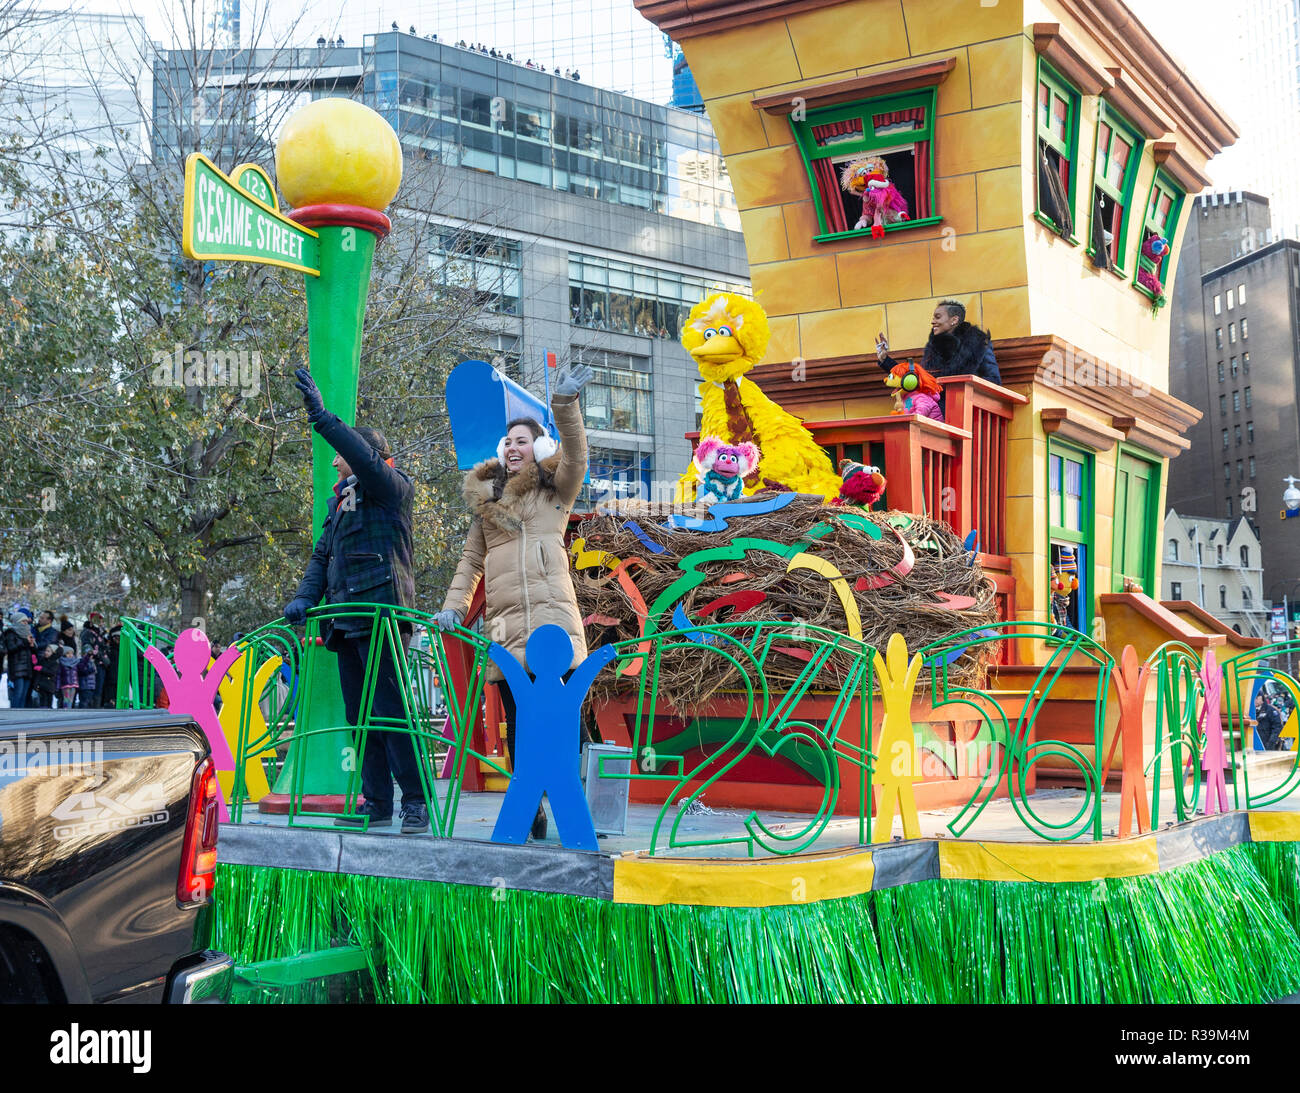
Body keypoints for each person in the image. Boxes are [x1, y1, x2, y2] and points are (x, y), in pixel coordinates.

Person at [434, 363, 594, 842]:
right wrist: (455, 606)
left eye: (522, 440)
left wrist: (565, 406)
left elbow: (577, 456)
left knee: (567, 722)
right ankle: (532, 808)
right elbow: (470, 562)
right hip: (506, 632)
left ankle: (579, 808)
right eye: (508, 442)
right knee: (521, 725)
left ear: (538, 448)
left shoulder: (555, 492)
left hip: (553, 626)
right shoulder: (487, 507)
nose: (512, 447)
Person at [283, 368, 429, 835]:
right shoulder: (339, 505)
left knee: (391, 711)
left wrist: (322, 417)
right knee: (360, 716)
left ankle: (416, 803)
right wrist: (305, 598)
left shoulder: (391, 488)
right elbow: (321, 559)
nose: (333, 465)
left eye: (340, 457)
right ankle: (378, 801)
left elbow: (364, 462)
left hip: (382, 615)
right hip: (345, 622)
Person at [874, 299, 1001, 387]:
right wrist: (885, 359)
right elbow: (917, 380)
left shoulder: (978, 344)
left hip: (967, 414)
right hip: (935, 413)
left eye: (938, 317)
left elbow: (994, 381)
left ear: (954, 320)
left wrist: (961, 386)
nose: (933, 321)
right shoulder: (933, 349)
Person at [2, 610, 36, 712]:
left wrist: (32, 645)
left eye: (26, 622)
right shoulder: (10, 633)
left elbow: (34, 651)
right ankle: (14, 714)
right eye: (23, 622)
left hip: (28, 667)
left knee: (24, 694)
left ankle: (22, 715)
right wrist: (25, 642)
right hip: (17, 667)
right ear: (17, 622)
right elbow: (11, 648)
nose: (26, 624)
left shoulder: (28, 633)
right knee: (18, 693)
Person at [32, 611, 61, 708]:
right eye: (40, 617)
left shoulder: (52, 632)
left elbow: (46, 643)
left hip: (43, 663)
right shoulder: (35, 629)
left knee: (46, 693)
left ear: (49, 621)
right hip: (35, 662)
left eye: (43, 618)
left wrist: (33, 644)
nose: (40, 619)